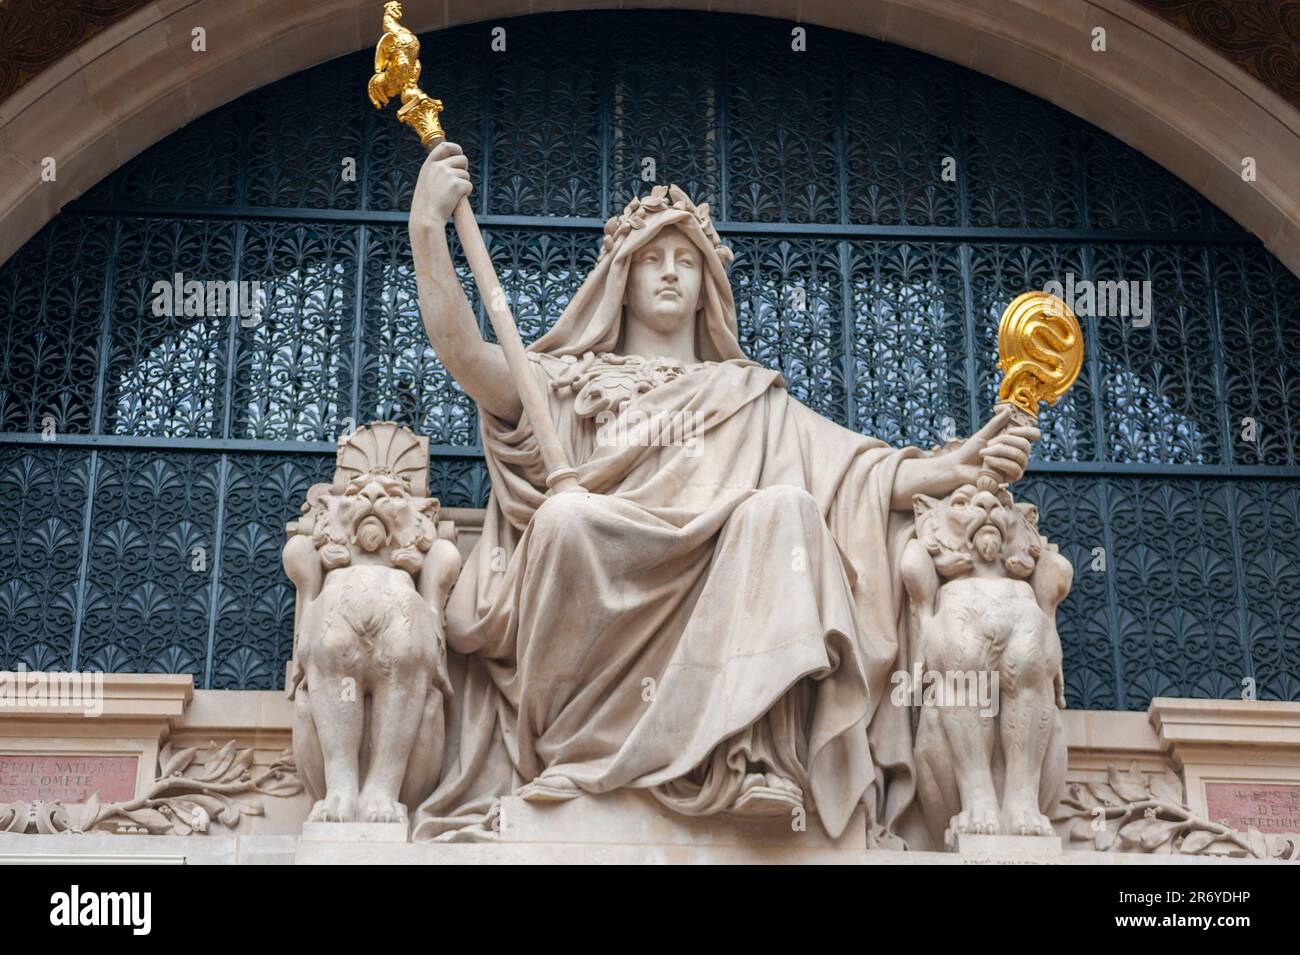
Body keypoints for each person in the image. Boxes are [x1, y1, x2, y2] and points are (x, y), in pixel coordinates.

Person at [406, 142, 1037, 841]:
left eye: (687, 262)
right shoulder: (562, 384)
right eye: (653, 259)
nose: (671, 273)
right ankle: (584, 751)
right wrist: (427, 230)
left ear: (709, 285)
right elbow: (467, 355)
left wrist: (963, 461)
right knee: (565, 515)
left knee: (787, 508)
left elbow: (863, 472)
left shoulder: (749, 396)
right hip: (599, 572)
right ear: (622, 277)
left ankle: (750, 755)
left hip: (728, 589)